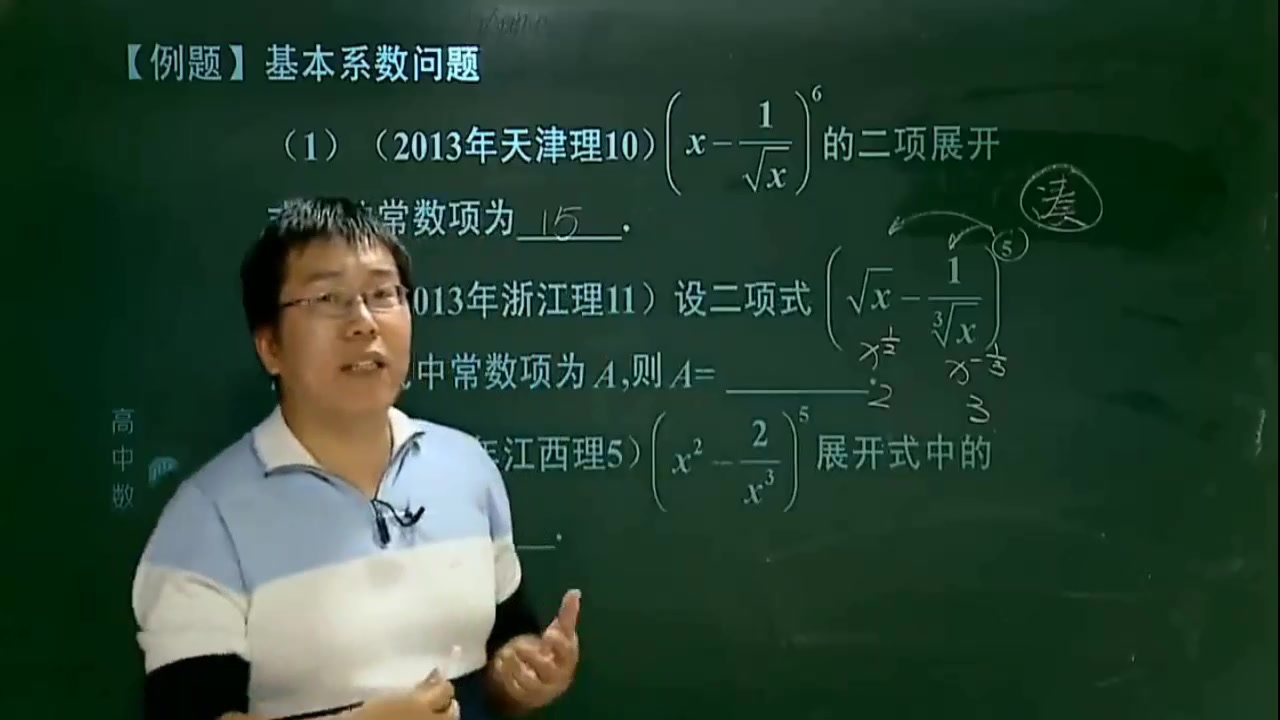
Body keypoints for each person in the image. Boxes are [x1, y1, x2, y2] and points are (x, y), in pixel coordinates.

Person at [131, 197, 581, 719]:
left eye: (383, 294)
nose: (364, 322)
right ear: (269, 346)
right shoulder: (205, 520)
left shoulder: (466, 466)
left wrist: (517, 672)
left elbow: (501, 644)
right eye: (328, 298)